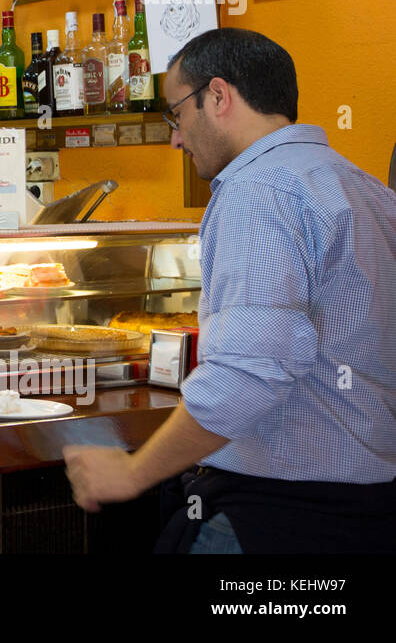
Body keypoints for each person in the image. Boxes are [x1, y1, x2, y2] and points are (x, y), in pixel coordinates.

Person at [63, 29, 396, 553]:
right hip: (370, 509)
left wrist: (131, 472)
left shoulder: (256, 191)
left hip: (280, 514)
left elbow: (248, 372)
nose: (175, 138)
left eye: (176, 114)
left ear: (218, 96)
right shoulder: (359, 183)